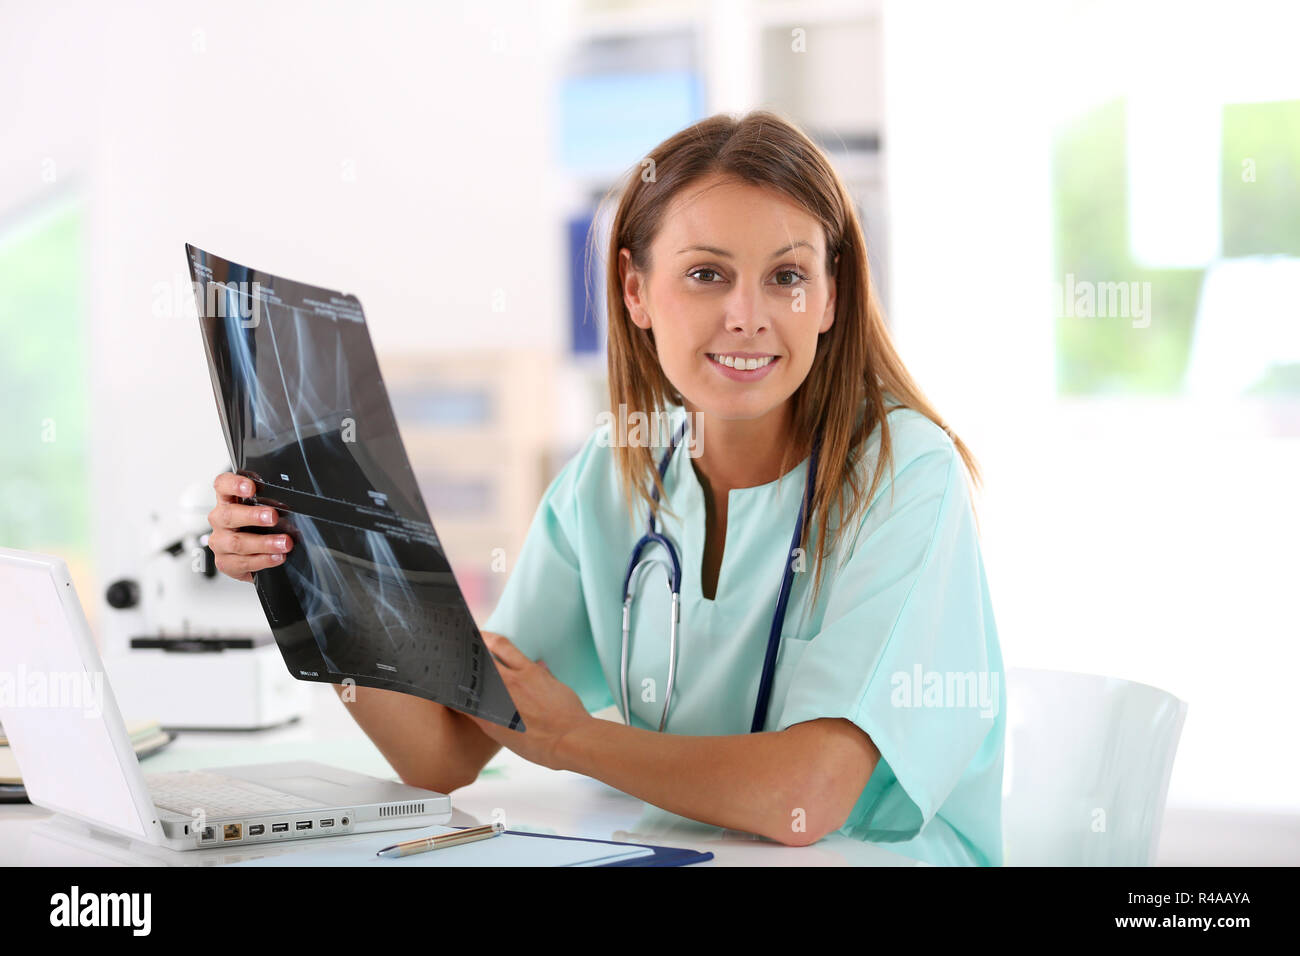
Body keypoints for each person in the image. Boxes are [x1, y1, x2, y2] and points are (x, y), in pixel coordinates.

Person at [208, 110, 1005, 866]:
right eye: (705, 274)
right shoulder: (614, 474)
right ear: (634, 290)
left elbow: (810, 794)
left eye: (786, 276)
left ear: (829, 294)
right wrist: (301, 566)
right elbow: (443, 753)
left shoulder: (905, 477)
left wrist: (572, 742)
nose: (747, 316)